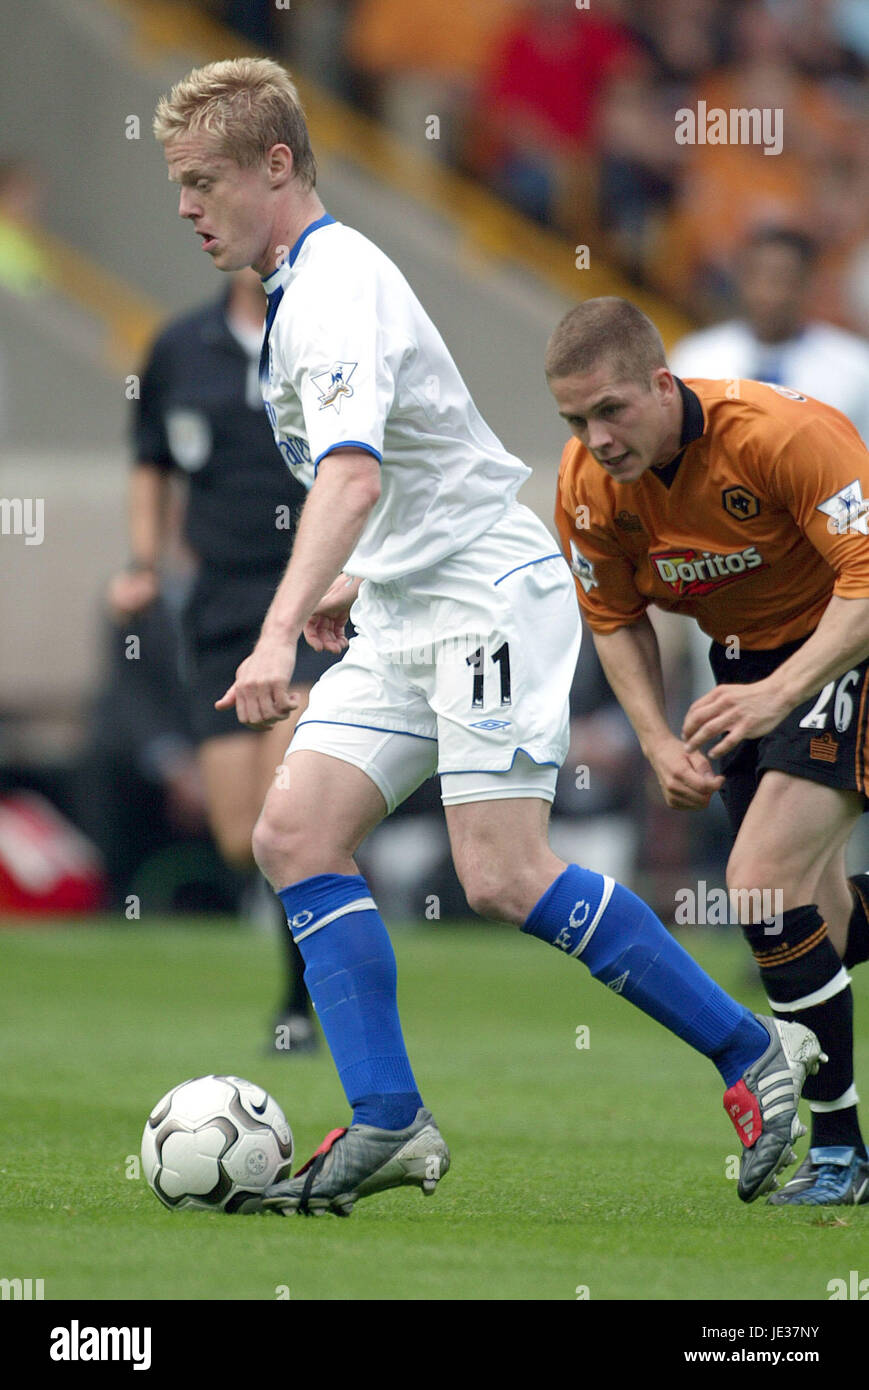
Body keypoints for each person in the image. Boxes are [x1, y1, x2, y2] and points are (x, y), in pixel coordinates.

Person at [151, 56, 822, 1217]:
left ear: (276, 165)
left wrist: (274, 635)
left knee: (502, 873)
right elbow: (391, 473)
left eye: (203, 179)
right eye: (175, 183)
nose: (184, 206)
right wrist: (360, 577)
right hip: (409, 599)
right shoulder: (297, 287)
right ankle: (388, 1116)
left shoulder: (333, 284)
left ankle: (745, 1049)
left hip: (481, 599)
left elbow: (354, 475)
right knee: (293, 832)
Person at [549, 296, 869, 1205]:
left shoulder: (781, 434)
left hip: (845, 643)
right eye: (574, 419)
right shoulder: (586, 484)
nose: (596, 437)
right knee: (809, 921)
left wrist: (779, 692)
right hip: (741, 672)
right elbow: (610, 617)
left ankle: (841, 1152)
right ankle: (842, 1152)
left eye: (611, 410)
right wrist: (655, 739)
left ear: (661, 382)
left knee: (760, 879)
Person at [107, 268, 339, 1052]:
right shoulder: (177, 346)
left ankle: (304, 1003)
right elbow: (150, 461)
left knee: (290, 808)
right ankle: (330, 923)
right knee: (241, 838)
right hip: (218, 608)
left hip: (313, 605)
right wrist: (145, 563)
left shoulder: (323, 335)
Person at [669, 227, 869, 445]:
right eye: (756, 276)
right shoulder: (694, 359)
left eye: (783, 278)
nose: (767, 292)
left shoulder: (855, 367)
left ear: (809, 283)